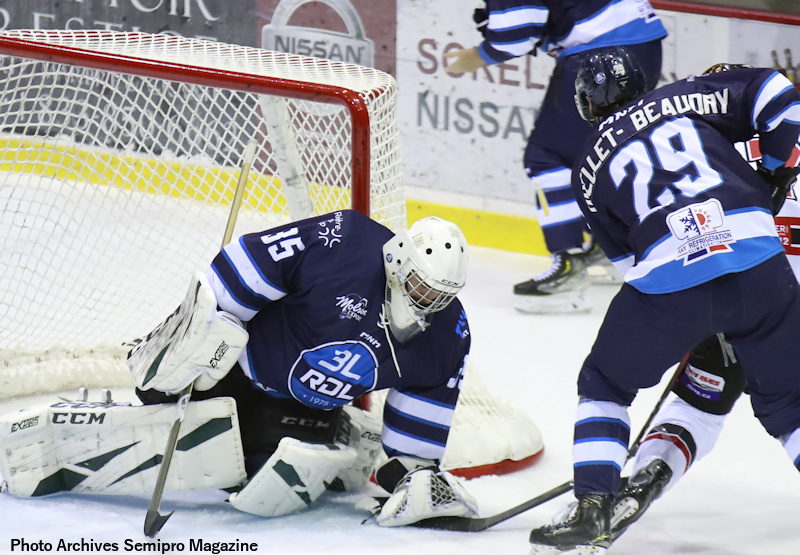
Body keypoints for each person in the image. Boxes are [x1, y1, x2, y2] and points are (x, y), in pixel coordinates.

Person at [0, 210, 478, 527]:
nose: (427, 299)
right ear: (398, 259)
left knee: (256, 478)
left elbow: (420, 426)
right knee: (164, 392)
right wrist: (199, 337)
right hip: (229, 374)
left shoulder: (447, 335)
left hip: (299, 410)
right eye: (420, 283)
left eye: (440, 293)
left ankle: (338, 432)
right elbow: (239, 267)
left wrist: (413, 475)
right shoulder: (344, 245)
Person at [527, 48, 800, 554]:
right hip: (773, 289)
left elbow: (632, 267)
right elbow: (779, 102)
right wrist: (775, 173)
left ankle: (609, 494)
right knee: (791, 407)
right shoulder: (718, 123)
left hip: (687, 293)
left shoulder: (600, 156)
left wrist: (681, 322)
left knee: (655, 396)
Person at [444, 0, 667, 313]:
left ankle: (568, 263)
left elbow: (516, 32)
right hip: (640, 43)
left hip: (603, 50)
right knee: (598, 152)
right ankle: (611, 245)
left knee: (548, 156)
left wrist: (477, 57)